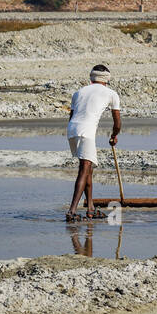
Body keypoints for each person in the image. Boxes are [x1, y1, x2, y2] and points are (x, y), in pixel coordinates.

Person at [65, 63, 122, 221]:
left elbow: (72, 116)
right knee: (84, 169)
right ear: (107, 79)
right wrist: (114, 135)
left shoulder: (78, 92)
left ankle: (90, 208)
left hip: (71, 130)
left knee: (87, 168)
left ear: (92, 77)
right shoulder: (111, 94)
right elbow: (117, 122)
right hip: (86, 132)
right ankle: (72, 210)